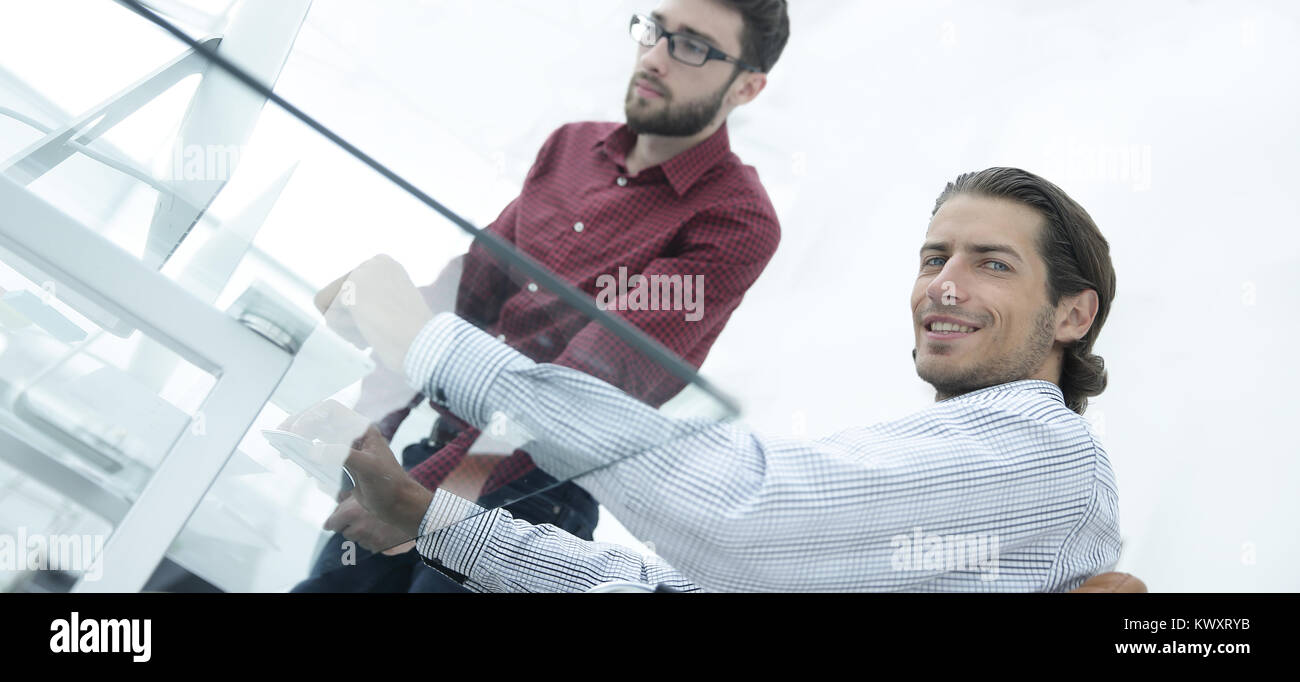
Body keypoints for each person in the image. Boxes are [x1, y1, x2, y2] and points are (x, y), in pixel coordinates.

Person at [306, 166, 1122, 592]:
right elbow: (676, 586)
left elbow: (745, 515)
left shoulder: (1045, 453)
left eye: (993, 265)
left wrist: (429, 342)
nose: (945, 284)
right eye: (934, 258)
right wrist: (432, 519)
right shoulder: (936, 456)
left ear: (1073, 316)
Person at [291, 0, 791, 592]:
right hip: (436, 456)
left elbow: (573, 395)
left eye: (692, 45)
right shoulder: (570, 147)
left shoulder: (734, 219)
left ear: (748, 87)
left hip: (533, 501)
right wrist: (369, 434)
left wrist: (413, 496)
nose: (655, 56)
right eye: (655, 30)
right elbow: (465, 297)